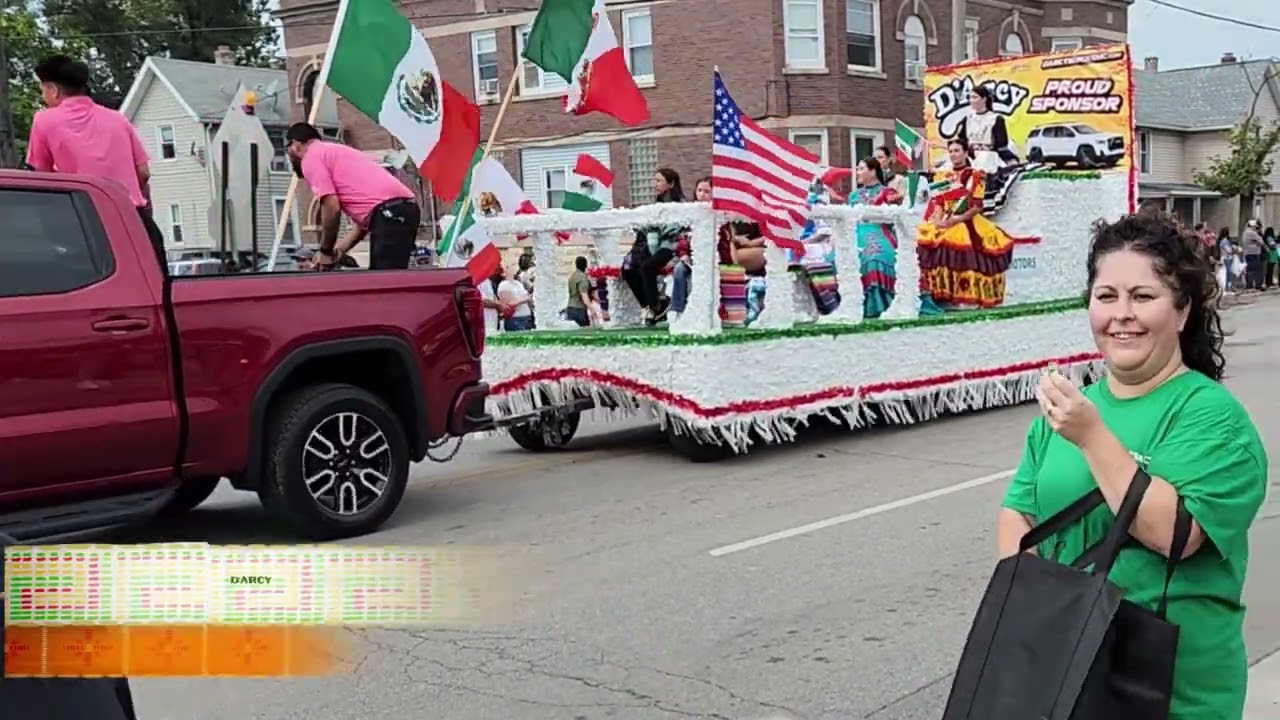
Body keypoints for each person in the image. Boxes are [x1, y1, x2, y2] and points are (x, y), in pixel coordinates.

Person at [998, 211, 1266, 719]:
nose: (1122, 314)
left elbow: (1174, 534)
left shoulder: (1211, 417)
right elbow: (1019, 513)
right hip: (1063, 680)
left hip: (1168, 696)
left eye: (1143, 297)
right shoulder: (1069, 408)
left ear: (1182, 311)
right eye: (1106, 297)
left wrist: (1093, 436)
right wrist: (1036, 612)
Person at [25, 54, 165, 271]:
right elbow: (143, 171)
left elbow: (42, 178)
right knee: (152, 281)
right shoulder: (117, 119)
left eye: (42, 90)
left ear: (53, 89)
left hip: (84, 221)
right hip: (133, 218)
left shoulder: (44, 120)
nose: (43, 96)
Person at [284, 122, 421, 270]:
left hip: (389, 214)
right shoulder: (336, 152)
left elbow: (331, 207)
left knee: (384, 284)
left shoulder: (310, 157)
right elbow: (362, 226)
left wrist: (325, 252)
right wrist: (339, 251)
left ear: (296, 145)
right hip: (403, 211)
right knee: (388, 279)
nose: (289, 157)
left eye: (288, 150)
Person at [917, 138, 1016, 309]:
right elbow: (940, 202)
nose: (954, 154)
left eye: (957, 150)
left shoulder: (975, 175)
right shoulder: (943, 175)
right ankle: (939, 293)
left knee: (956, 243)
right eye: (951, 151)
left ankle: (965, 296)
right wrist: (939, 221)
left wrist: (957, 219)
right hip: (947, 217)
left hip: (966, 219)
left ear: (965, 152)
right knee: (926, 240)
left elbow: (978, 206)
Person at [621, 168, 686, 323]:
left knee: (647, 267)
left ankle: (654, 304)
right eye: (654, 180)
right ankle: (649, 306)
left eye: (658, 180)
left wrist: (654, 229)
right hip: (652, 243)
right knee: (627, 268)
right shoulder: (657, 204)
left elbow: (674, 230)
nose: (654, 184)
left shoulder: (680, 204)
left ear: (671, 183)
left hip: (672, 245)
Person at [849, 156, 901, 319]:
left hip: (879, 231)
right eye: (857, 169)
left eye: (861, 168)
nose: (858, 172)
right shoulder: (853, 196)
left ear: (872, 172)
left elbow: (897, 218)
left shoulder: (889, 193)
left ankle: (877, 306)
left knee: (874, 256)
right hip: (855, 233)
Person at [496, 264, 534, 331]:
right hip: (515, 318)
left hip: (527, 317)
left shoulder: (518, 283)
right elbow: (508, 304)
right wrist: (525, 299)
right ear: (503, 273)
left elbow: (527, 296)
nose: (511, 268)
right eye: (507, 267)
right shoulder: (503, 285)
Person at [565, 255, 594, 327]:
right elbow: (584, 295)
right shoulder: (583, 277)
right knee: (585, 333)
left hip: (570, 308)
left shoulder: (572, 277)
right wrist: (591, 308)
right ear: (585, 265)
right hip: (579, 309)